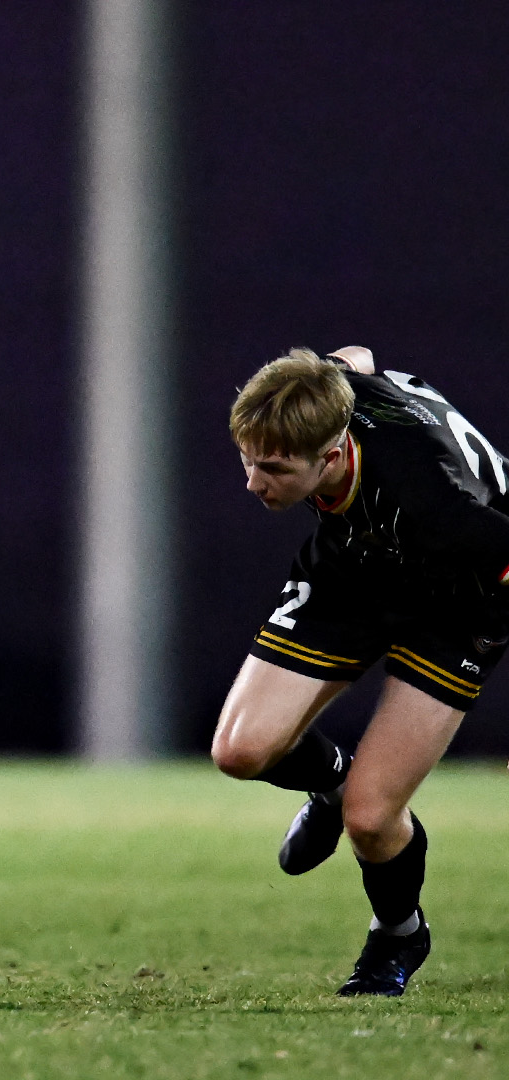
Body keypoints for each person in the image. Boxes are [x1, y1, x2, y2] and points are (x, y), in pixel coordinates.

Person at [213, 346, 509, 996]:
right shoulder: (328, 398)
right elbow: (354, 357)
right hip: (357, 564)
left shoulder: (431, 499)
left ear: (330, 453)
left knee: (373, 821)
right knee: (240, 750)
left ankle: (399, 933)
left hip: (456, 603)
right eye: (247, 460)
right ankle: (333, 783)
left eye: (272, 467)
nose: (253, 482)